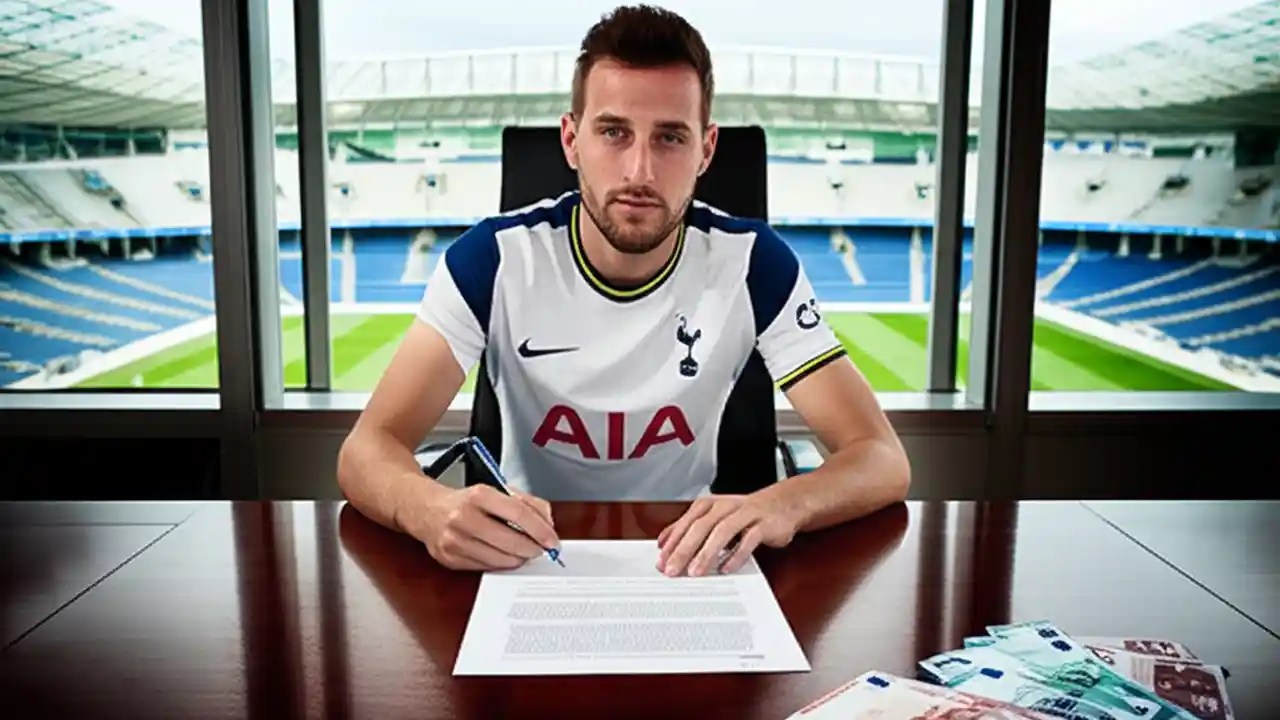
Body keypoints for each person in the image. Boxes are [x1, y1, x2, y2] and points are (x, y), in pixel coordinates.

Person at [337, 4, 910, 577]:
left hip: (688, 563)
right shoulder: (492, 260)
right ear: (571, 139)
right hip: (529, 562)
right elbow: (368, 449)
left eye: (670, 138)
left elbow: (881, 457)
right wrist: (431, 509)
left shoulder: (754, 263)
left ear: (706, 150)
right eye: (614, 132)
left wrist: (783, 502)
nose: (640, 170)